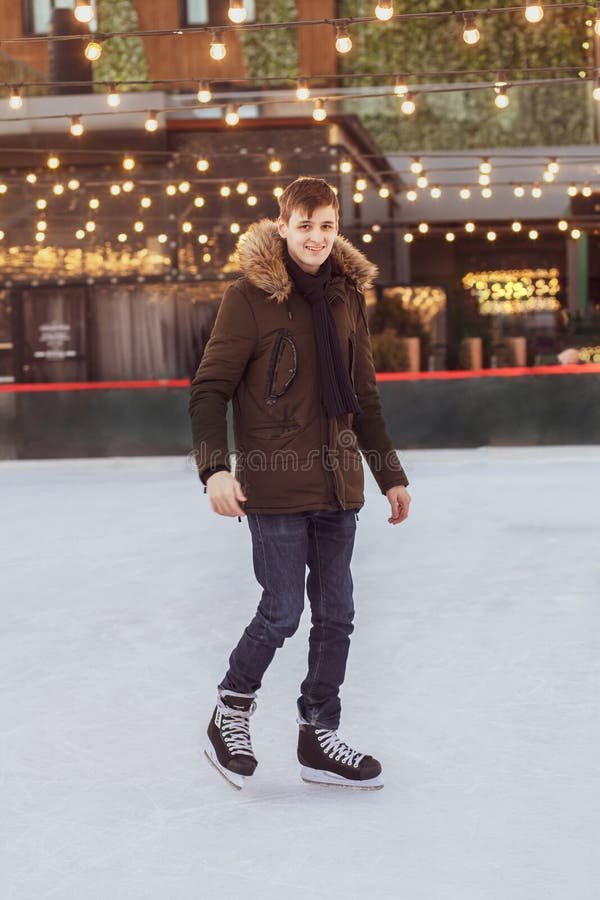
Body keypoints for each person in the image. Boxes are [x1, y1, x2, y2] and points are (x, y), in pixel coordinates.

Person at [189, 176, 411, 790]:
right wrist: (215, 468)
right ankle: (230, 710)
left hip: (339, 484)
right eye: (304, 224)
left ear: (338, 231)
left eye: (327, 226)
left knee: (336, 615)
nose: (316, 237)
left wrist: (388, 473)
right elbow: (210, 389)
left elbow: (362, 394)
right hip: (276, 485)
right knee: (283, 611)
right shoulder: (249, 297)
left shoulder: (345, 297)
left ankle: (318, 732)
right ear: (282, 226)